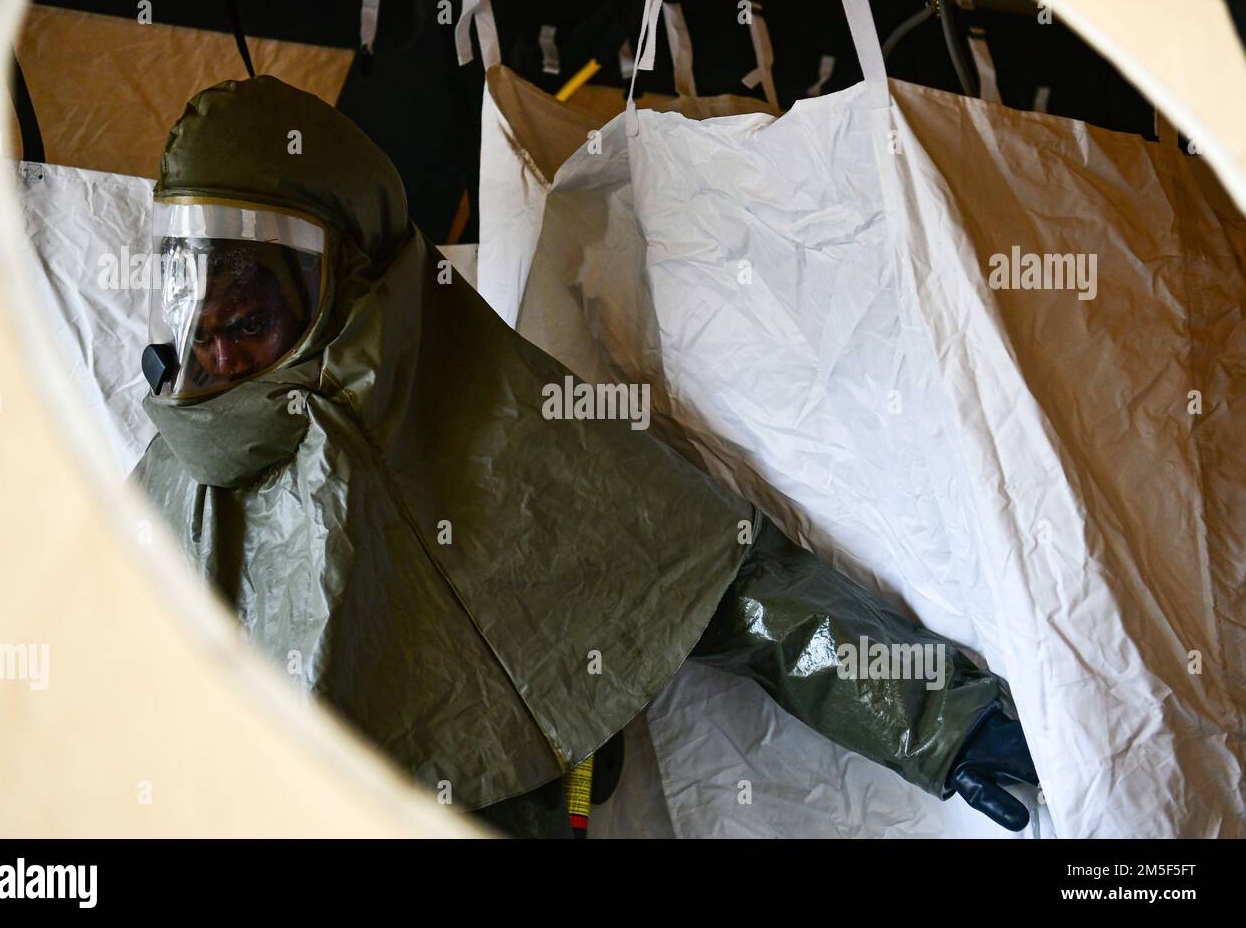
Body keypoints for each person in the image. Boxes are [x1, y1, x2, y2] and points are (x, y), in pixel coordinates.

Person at [134, 76, 1037, 838]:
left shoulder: (498, 423)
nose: (221, 362)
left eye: (251, 323)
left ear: (356, 279)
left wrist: (940, 718)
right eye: (200, 327)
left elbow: (719, 582)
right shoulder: (172, 483)